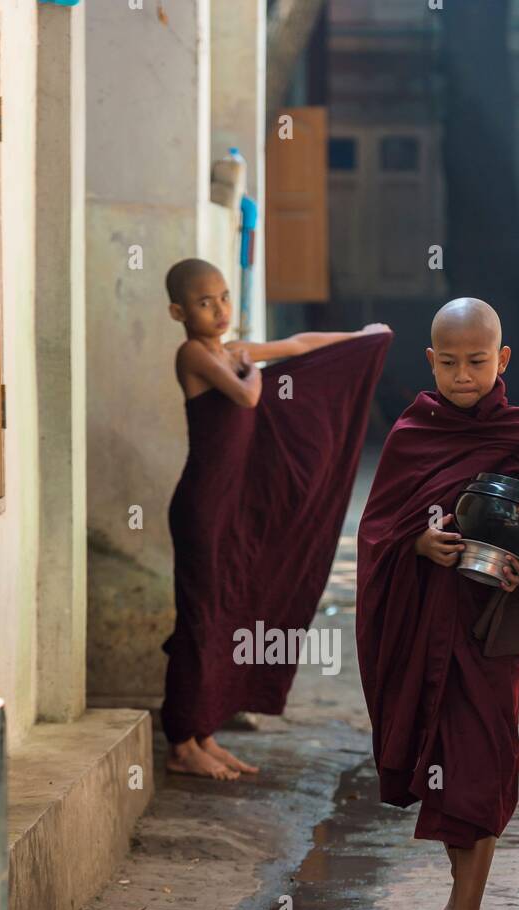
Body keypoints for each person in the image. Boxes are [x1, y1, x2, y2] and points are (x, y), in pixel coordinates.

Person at [356, 297, 519, 910]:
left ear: (501, 359)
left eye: (477, 362)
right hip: (427, 615)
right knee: (445, 761)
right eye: (448, 363)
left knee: (481, 760)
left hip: (492, 624)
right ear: (429, 361)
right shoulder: (410, 433)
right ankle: (461, 898)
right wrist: (418, 546)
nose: (462, 375)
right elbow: (379, 531)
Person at [162, 257, 392, 781]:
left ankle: (203, 733)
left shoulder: (228, 350)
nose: (220, 309)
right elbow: (246, 393)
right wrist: (250, 368)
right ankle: (180, 742)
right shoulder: (194, 353)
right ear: (178, 311)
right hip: (202, 507)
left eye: (224, 297)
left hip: (228, 506)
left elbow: (296, 345)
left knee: (225, 613)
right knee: (200, 619)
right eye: (204, 302)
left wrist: (359, 339)